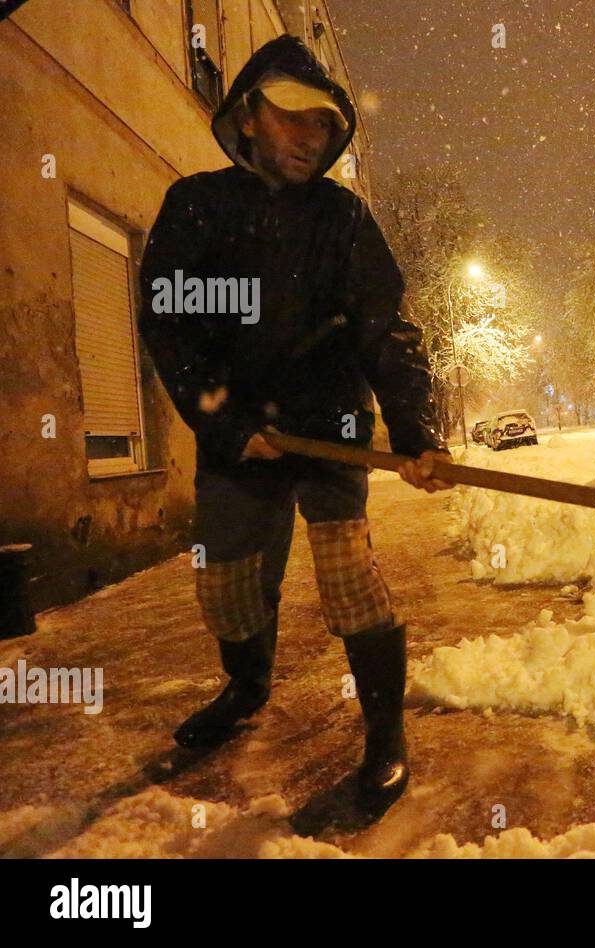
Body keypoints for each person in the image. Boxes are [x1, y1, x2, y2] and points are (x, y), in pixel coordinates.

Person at [139, 35, 451, 812]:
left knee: (349, 580)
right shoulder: (197, 207)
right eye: (293, 118)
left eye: (325, 124)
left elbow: (387, 330)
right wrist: (225, 420)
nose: (312, 136)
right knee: (228, 587)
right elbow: (172, 325)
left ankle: (384, 734)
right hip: (239, 437)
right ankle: (246, 689)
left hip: (330, 428)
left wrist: (416, 433)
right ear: (249, 115)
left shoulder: (343, 219)